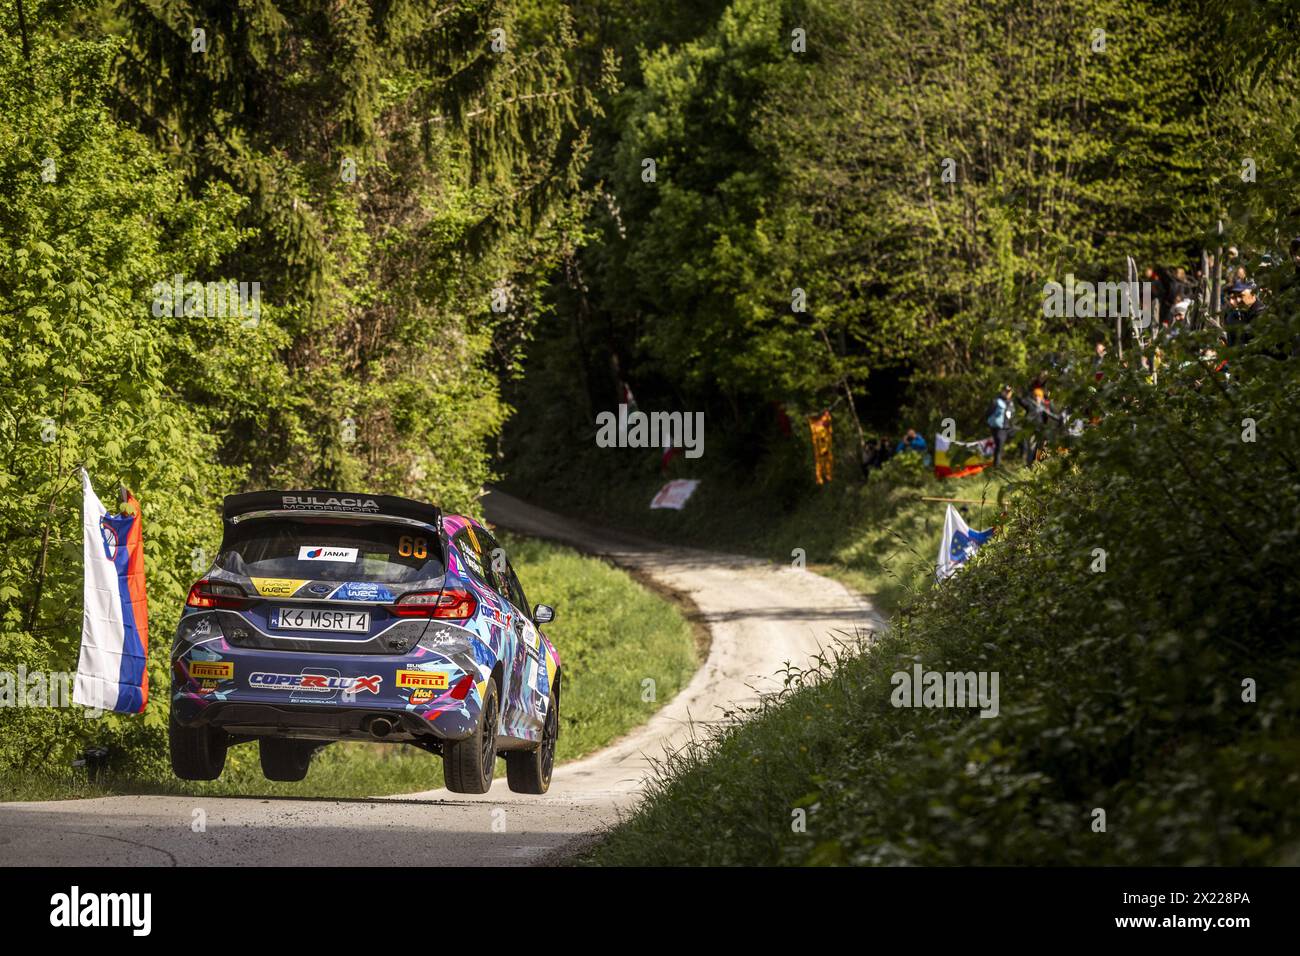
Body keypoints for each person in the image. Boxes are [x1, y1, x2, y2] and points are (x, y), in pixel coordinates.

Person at [1224, 278, 1265, 347]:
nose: (1237, 300)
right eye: (1235, 296)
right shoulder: (1235, 315)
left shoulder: (1263, 316)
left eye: (1240, 296)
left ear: (1253, 293)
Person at [986, 385, 1016, 467]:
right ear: (1002, 391)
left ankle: (1022, 460)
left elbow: (1012, 416)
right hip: (999, 428)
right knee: (999, 446)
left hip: (1009, 428)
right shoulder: (996, 401)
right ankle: (996, 467)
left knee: (1023, 437)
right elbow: (988, 413)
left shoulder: (1011, 402)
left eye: (1009, 392)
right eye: (1005, 391)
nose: (1007, 393)